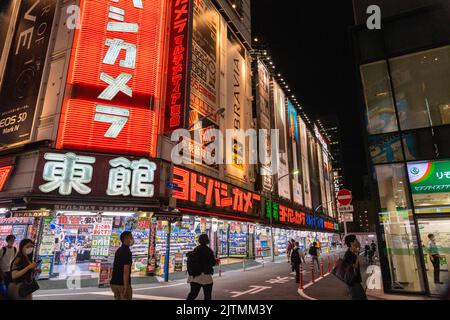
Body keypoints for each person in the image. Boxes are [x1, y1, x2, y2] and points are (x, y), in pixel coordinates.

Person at [186, 234, 217, 300]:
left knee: (193, 294)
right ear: (207, 240)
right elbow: (212, 263)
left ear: (199, 240)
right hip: (206, 276)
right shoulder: (209, 251)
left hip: (195, 276)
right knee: (207, 296)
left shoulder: (196, 249)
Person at [110, 231, 134, 300]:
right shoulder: (127, 252)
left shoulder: (118, 250)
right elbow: (126, 270)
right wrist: (126, 287)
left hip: (114, 283)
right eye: (131, 237)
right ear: (126, 239)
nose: (132, 239)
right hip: (122, 284)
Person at [343, 234, 367, 300]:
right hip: (353, 282)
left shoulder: (352, 252)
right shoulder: (349, 254)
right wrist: (357, 255)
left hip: (355, 281)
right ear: (351, 243)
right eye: (355, 240)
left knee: (361, 297)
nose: (357, 241)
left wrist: (356, 253)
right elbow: (355, 267)